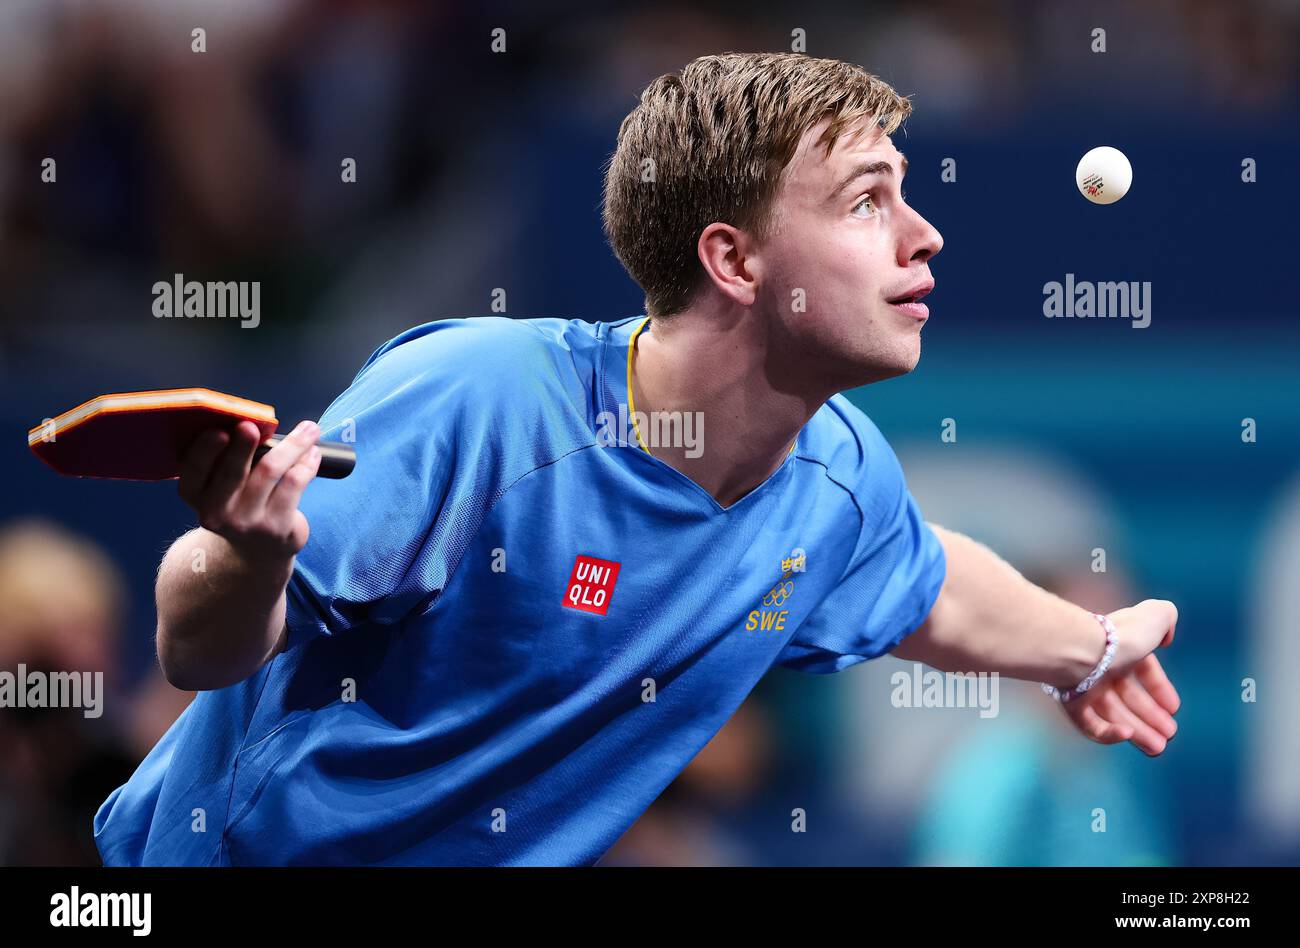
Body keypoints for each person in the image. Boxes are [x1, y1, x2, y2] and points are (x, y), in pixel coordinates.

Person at [94, 52, 1179, 866]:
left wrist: (1088, 647)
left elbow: (931, 586)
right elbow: (196, 647)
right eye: (866, 201)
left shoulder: (834, 478)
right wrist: (245, 554)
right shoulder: (485, 400)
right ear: (735, 258)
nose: (923, 234)